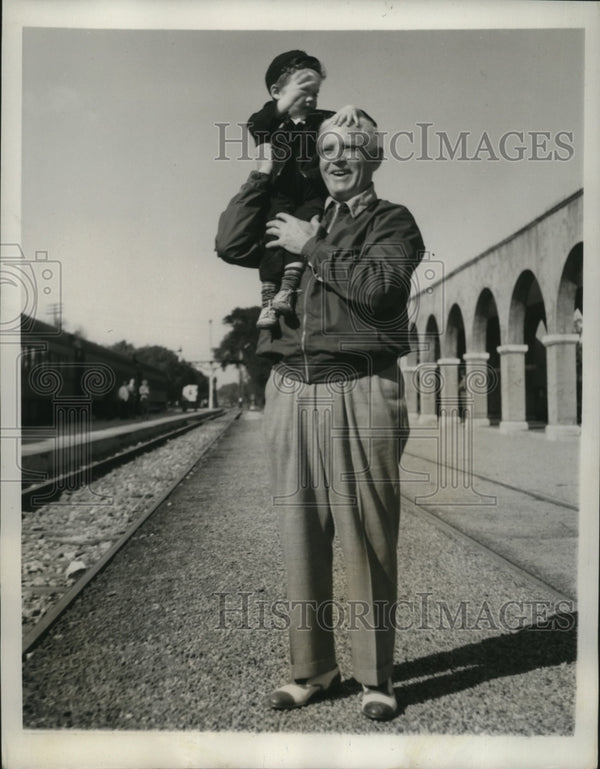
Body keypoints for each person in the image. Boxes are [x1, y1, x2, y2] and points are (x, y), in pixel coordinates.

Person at [216, 114, 424, 721]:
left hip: (359, 386)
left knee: (368, 536)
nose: (336, 159)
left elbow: (380, 287)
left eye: (351, 149)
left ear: (373, 159)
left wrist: (310, 244)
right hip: (290, 388)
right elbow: (230, 243)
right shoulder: (300, 212)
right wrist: (262, 170)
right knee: (300, 534)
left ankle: (375, 678)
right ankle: (312, 669)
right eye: (327, 148)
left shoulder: (392, 221)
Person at [247, 50, 365, 329]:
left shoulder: (323, 121)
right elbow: (257, 124)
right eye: (302, 92)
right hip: (280, 193)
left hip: (312, 192)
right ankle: (267, 303)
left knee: (303, 232)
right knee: (273, 240)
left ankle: (286, 290)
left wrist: (353, 111)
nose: (311, 98)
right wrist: (281, 105)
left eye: (315, 92)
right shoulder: (271, 122)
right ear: (277, 92)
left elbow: (359, 124)